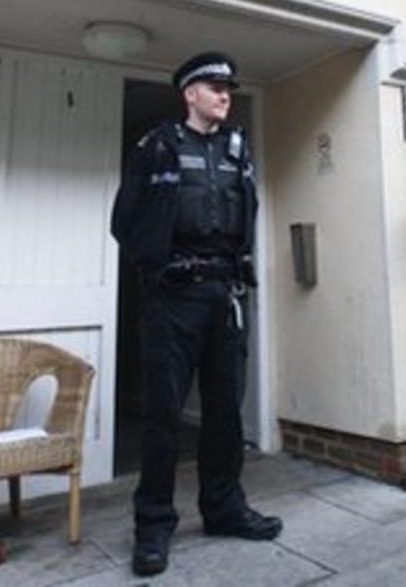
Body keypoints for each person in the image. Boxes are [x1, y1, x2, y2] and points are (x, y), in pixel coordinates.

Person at [111, 52, 283, 577]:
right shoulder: (157, 146)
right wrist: (156, 270)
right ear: (190, 94)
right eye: (214, 88)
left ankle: (224, 509)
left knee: (225, 412)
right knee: (163, 415)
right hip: (172, 299)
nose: (226, 95)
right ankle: (153, 525)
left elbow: (247, 213)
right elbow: (124, 220)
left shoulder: (238, 149)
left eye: (229, 88)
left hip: (224, 296)